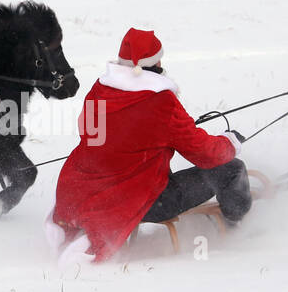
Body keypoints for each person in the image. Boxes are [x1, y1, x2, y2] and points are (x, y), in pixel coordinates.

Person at [49, 28, 251, 263]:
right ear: (154, 64)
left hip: (77, 194)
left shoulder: (100, 90)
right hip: (140, 200)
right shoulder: (161, 101)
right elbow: (205, 153)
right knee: (232, 169)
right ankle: (236, 228)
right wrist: (229, 142)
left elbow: (93, 134)